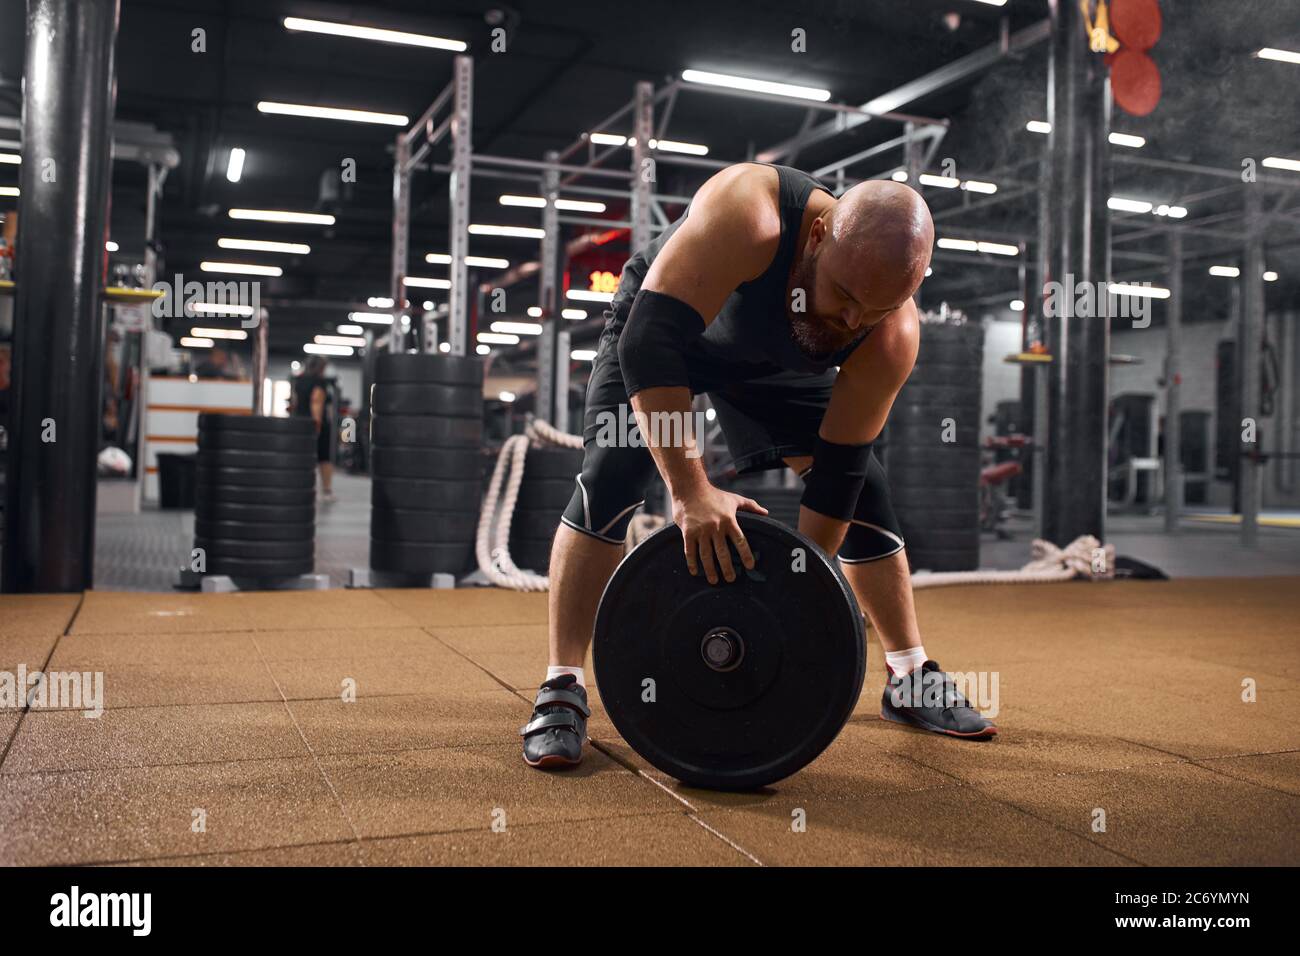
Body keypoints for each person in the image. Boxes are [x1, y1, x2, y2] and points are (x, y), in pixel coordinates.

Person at [521, 163, 997, 771]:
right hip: (665, 327)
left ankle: (908, 674)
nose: (852, 323)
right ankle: (562, 684)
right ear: (820, 235)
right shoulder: (748, 214)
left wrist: (797, 598)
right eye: (846, 297)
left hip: (771, 361)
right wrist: (691, 490)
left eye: (874, 311)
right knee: (613, 472)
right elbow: (650, 344)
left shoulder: (889, 333)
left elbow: (839, 473)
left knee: (868, 495)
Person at [291, 356, 334, 502]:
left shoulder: (299, 380)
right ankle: (327, 491)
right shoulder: (319, 382)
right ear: (321, 368)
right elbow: (316, 402)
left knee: (302, 456)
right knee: (324, 458)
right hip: (315, 423)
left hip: (300, 422)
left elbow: (295, 403)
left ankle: (299, 487)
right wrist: (317, 424)